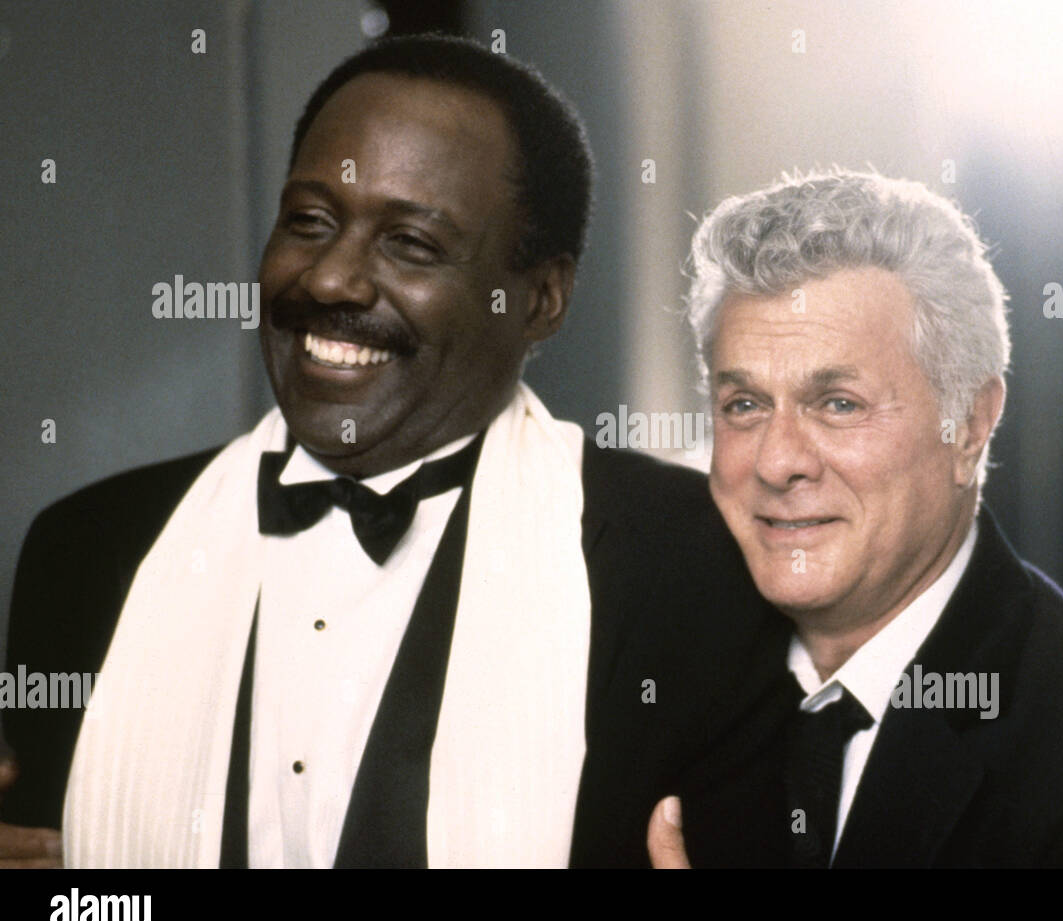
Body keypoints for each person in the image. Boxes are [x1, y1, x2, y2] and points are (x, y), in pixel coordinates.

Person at [0, 33, 795, 869]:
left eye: (410, 244)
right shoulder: (89, 550)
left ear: (542, 300)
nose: (332, 280)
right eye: (309, 222)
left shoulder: (683, 564)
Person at [647, 170, 1063, 868]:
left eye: (838, 404)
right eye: (744, 405)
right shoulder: (652, 675)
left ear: (971, 424)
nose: (777, 463)